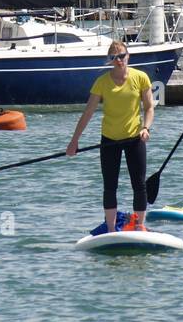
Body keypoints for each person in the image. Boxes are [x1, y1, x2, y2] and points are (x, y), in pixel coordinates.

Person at [66, 40, 155, 232]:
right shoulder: (102, 82)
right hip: (109, 140)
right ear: (110, 60)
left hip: (134, 139)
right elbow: (88, 112)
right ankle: (111, 228)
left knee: (139, 185)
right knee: (109, 186)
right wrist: (74, 141)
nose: (119, 61)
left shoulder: (141, 78)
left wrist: (146, 128)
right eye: (114, 58)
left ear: (128, 56)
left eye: (122, 56)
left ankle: (140, 225)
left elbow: (149, 108)